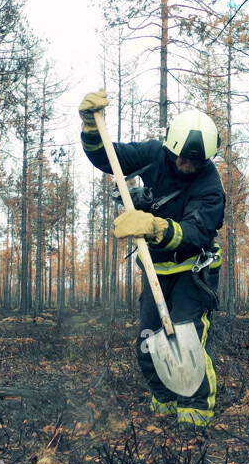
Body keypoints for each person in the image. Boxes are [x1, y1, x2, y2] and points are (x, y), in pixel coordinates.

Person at [78, 91, 226, 428]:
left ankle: (196, 412)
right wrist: (90, 127)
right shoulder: (153, 154)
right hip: (156, 268)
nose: (187, 166)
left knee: (186, 337)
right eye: (182, 159)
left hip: (193, 270)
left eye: (196, 162)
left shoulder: (209, 185)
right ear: (171, 148)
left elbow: (196, 231)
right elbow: (107, 158)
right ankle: (164, 400)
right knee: (148, 341)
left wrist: (155, 226)